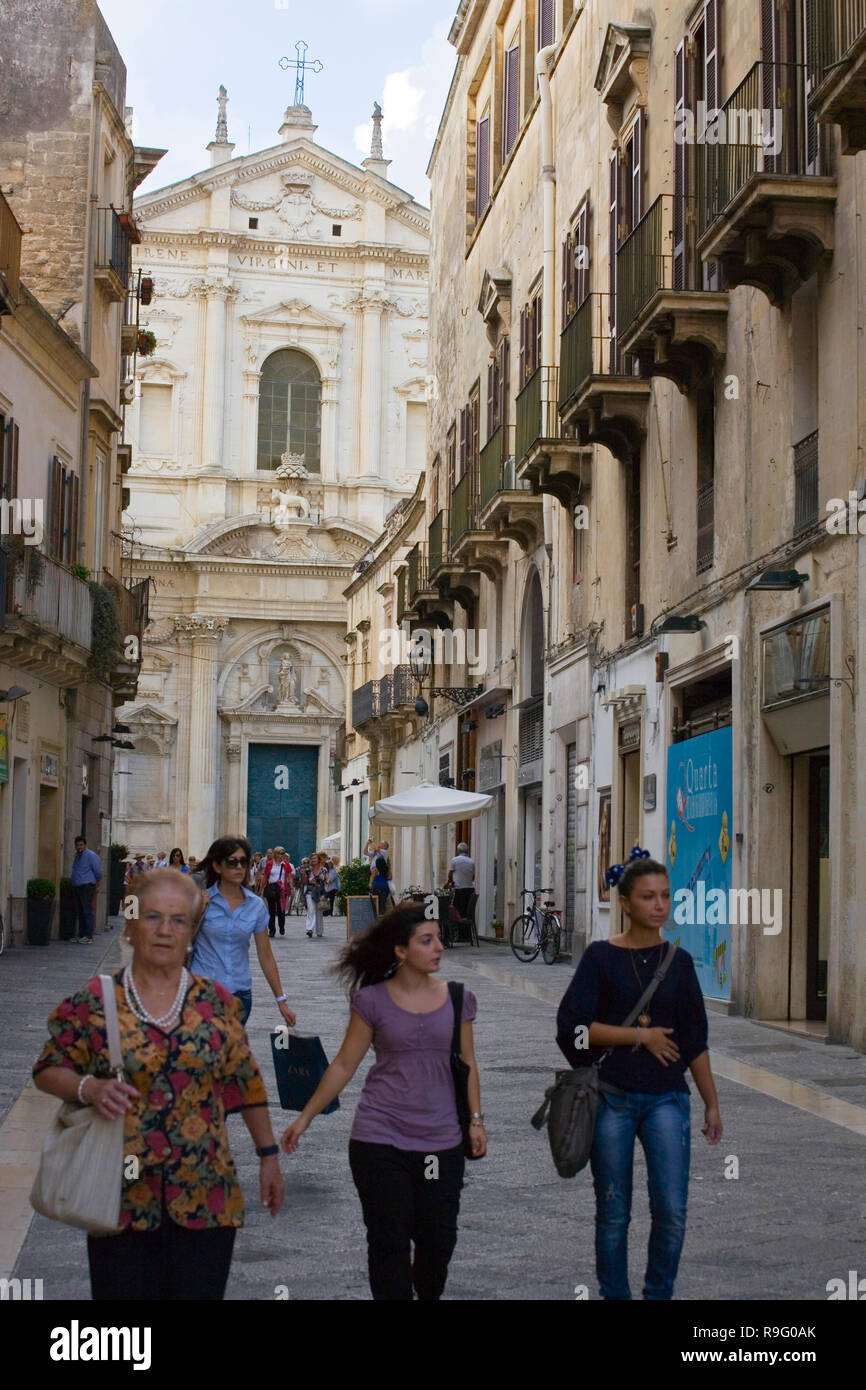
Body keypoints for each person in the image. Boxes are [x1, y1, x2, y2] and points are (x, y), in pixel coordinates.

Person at [32, 868, 284, 1300]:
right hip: (122, 1200)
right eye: (152, 917)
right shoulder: (95, 1001)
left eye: (178, 920)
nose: (165, 930)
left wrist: (268, 1156)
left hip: (206, 1195)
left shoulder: (215, 1002)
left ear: (191, 932)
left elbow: (246, 1083)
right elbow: (48, 1067)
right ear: (130, 926)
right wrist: (88, 1089)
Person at [281, 902, 486, 1300]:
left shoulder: (460, 999)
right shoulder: (372, 1001)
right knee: (388, 1241)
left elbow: (468, 1062)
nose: (439, 947)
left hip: (440, 1142)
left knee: (438, 1239)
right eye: (427, 941)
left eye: (439, 939)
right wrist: (305, 1118)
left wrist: (476, 1121)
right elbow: (343, 1064)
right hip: (379, 1139)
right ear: (400, 950)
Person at [555, 850, 722, 1302]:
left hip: (668, 1098)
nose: (660, 905)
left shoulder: (680, 963)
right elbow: (573, 1030)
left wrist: (710, 1102)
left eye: (665, 896)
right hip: (611, 1098)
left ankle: (658, 1294)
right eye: (648, 897)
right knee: (613, 1211)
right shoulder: (600, 958)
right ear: (625, 903)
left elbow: (695, 1041)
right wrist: (638, 1037)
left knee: (672, 1209)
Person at [191, 836, 297, 1028]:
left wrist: (281, 1000)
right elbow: (180, 941)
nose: (239, 867)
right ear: (217, 866)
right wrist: (196, 913)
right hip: (202, 993)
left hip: (239, 996)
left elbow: (265, 956)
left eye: (243, 862)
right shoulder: (201, 900)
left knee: (230, 1055)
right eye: (232, 862)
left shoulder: (255, 906)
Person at [70, 835, 102, 944]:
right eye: (77, 845)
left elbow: (98, 871)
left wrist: (97, 883)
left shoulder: (91, 855)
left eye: (81, 845)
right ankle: (81, 934)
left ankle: (88, 936)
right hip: (78, 886)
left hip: (87, 886)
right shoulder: (77, 856)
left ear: (85, 845)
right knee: (80, 911)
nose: (79, 847)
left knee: (87, 911)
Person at [261, 846, 292, 937]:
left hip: (281, 889)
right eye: (279, 853)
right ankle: (272, 930)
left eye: (282, 853)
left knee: (281, 910)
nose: (281, 855)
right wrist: (262, 888)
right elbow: (266, 876)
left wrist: (291, 887)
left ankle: (281, 926)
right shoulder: (270, 864)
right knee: (271, 910)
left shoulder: (285, 864)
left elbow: (289, 877)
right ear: (275, 854)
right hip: (271, 887)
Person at [446, 842, 475, 918]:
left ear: (458, 851)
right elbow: (473, 877)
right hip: (470, 890)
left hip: (459, 889)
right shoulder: (471, 861)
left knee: (457, 911)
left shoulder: (454, 860)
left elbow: (450, 874)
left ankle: (458, 928)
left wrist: (450, 882)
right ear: (467, 851)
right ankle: (466, 929)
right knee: (466, 912)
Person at [302, 853, 327, 939]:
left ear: (319, 859)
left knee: (319, 911)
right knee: (311, 910)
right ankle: (310, 929)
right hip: (310, 892)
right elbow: (305, 882)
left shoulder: (324, 870)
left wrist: (326, 881)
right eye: (312, 858)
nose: (313, 860)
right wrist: (303, 875)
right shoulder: (308, 870)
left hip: (320, 892)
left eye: (315, 858)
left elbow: (328, 879)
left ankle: (319, 930)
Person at [369, 847, 390, 917]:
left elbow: (372, 878)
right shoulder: (387, 869)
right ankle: (383, 914)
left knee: (376, 902)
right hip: (385, 887)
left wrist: (370, 884)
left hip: (376, 887)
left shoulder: (375, 869)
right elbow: (390, 877)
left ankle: (377, 915)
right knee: (383, 902)